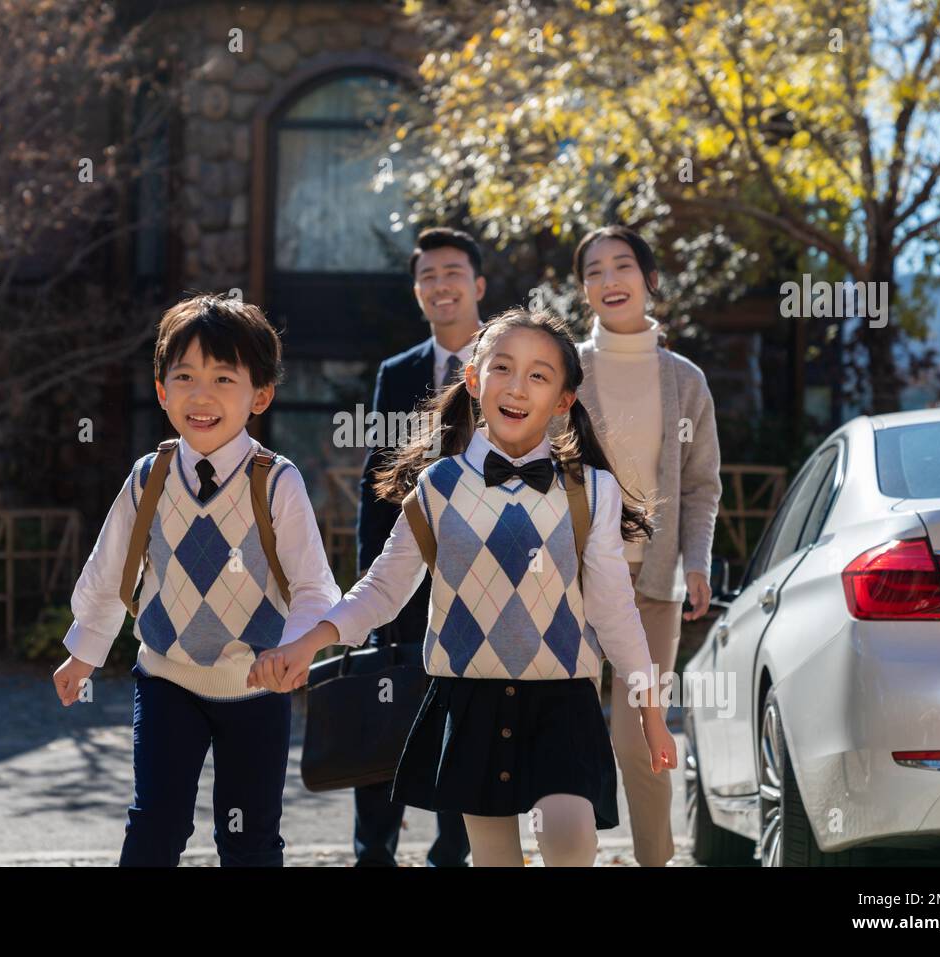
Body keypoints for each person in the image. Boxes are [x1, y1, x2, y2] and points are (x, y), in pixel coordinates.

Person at [250, 308, 678, 867]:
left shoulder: (592, 491)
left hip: (564, 701)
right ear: (474, 379)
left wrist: (650, 711)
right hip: (470, 699)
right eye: (502, 368)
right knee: (493, 857)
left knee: (569, 836)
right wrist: (309, 642)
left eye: (539, 375)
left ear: (564, 399)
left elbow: (615, 611)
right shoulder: (436, 487)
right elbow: (382, 590)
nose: (517, 386)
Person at [52, 294, 341, 867]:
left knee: (249, 838)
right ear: (162, 391)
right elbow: (111, 571)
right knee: (155, 825)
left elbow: (313, 586)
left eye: (223, 378)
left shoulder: (276, 481)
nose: (201, 395)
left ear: (260, 396)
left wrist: (295, 650)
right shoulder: (148, 478)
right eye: (184, 377)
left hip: (255, 688)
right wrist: (84, 651)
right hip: (167, 679)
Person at [571, 225, 722, 866]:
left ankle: (654, 860)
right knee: (568, 733)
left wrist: (697, 562)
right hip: (570, 580)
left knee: (640, 739)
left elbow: (701, 485)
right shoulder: (566, 369)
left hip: (654, 586)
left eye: (623, 266)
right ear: (584, 289)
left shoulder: (685, 381)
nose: (609, 281)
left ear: (650, 279)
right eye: (594, 271)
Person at [350, 226, 484, 867]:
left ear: (478, 284)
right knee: (386, 709)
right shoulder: (397, 373)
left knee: (467, 718)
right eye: (428, 276)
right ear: (417, 291)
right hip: (407, 575)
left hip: (487, 575)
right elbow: (377, 482)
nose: (440, 285)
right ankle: (373, 851)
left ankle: (452, 854)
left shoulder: (509, 363)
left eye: (452, 272)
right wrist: (366, 591)